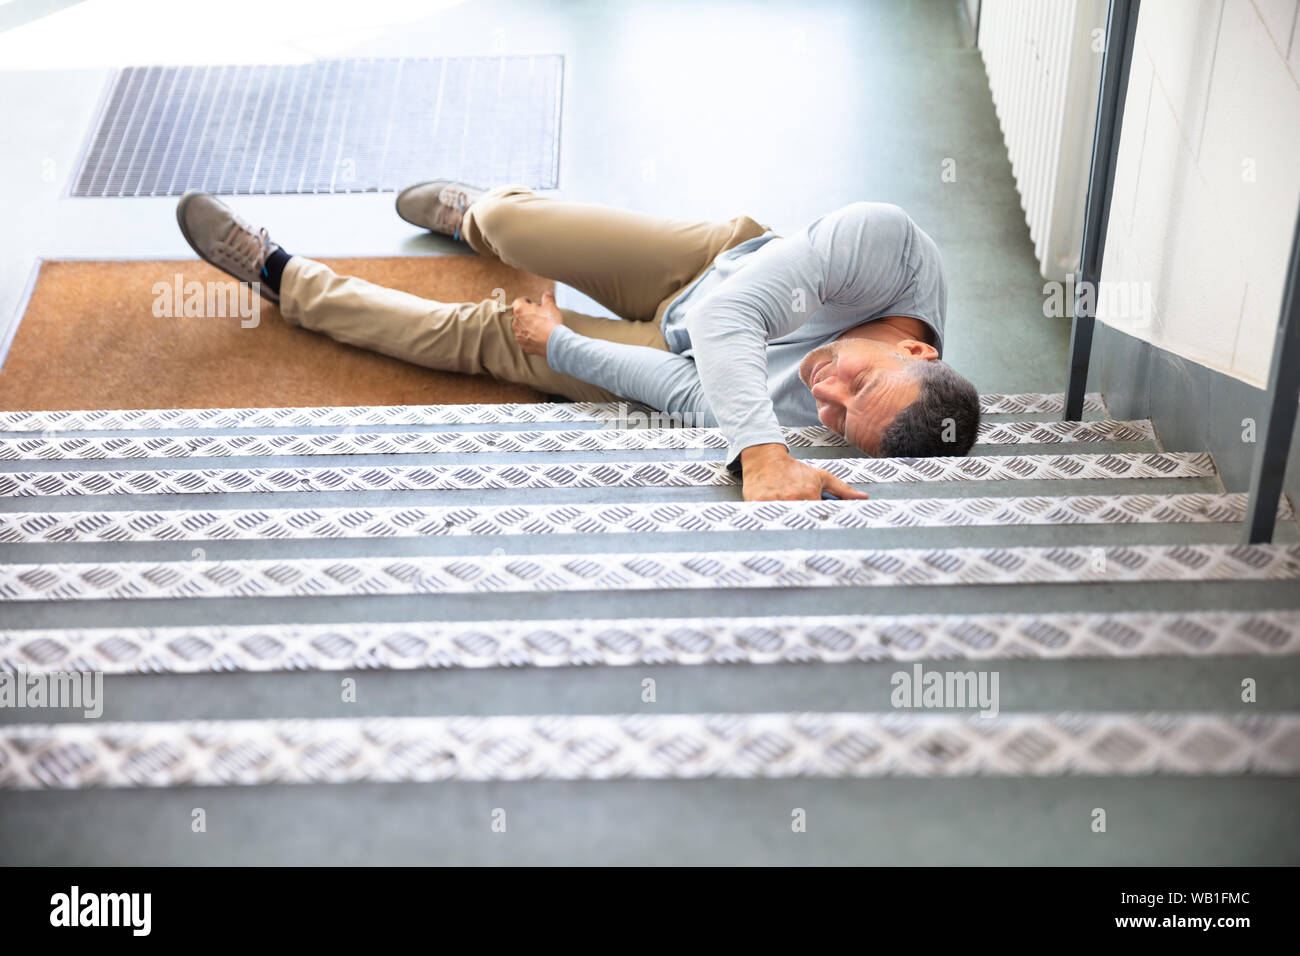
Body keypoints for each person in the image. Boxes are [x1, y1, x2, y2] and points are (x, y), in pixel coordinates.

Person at [175, 182, 980, 501]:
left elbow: (692, 393)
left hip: (673, 354)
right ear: (919, 352)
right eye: (857, 386)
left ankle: (281, 276)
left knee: (488, 339)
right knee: (515, 227)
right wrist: (762, 453)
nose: (826, 396)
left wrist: (557, 343)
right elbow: (725, 321)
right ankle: (477, 217)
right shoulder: (888, 246)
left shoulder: (835, 421)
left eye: (840, 420)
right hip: (715, 268)